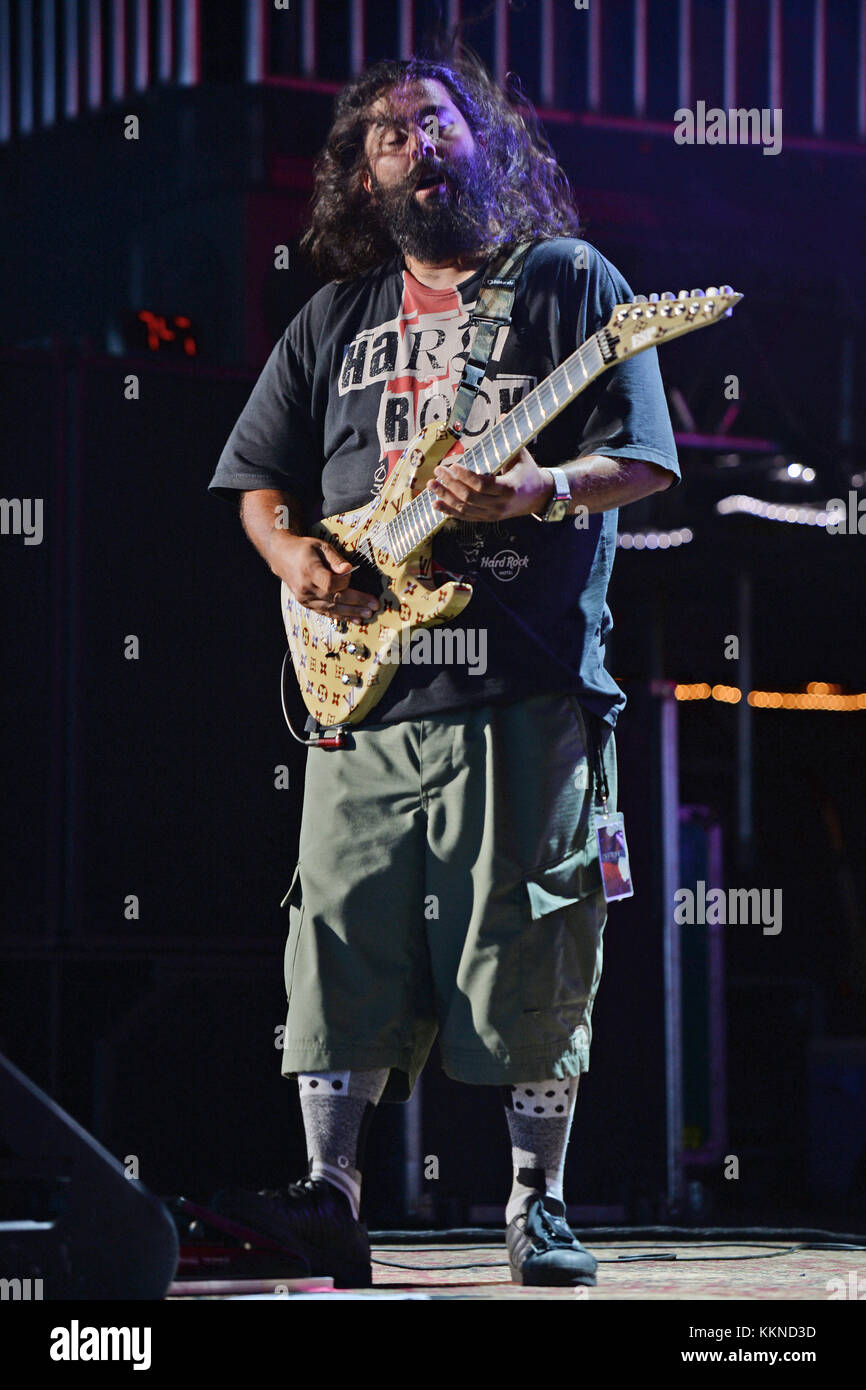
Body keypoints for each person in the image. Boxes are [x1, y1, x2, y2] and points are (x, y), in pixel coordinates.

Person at [207, 51, 680, 1288]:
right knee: (339, 935)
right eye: (388, 137)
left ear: (487, 144)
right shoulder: (335, 317)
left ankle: (536, 1206)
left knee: (529, 939)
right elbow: (257, 485)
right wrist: (293, 558)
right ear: (364, 179)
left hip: (521, 681)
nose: (417, 146)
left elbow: (638, 457)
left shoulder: (571, 283)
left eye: (438, 123)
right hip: (358, 694)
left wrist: (539, 485)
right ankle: (330, 1197)